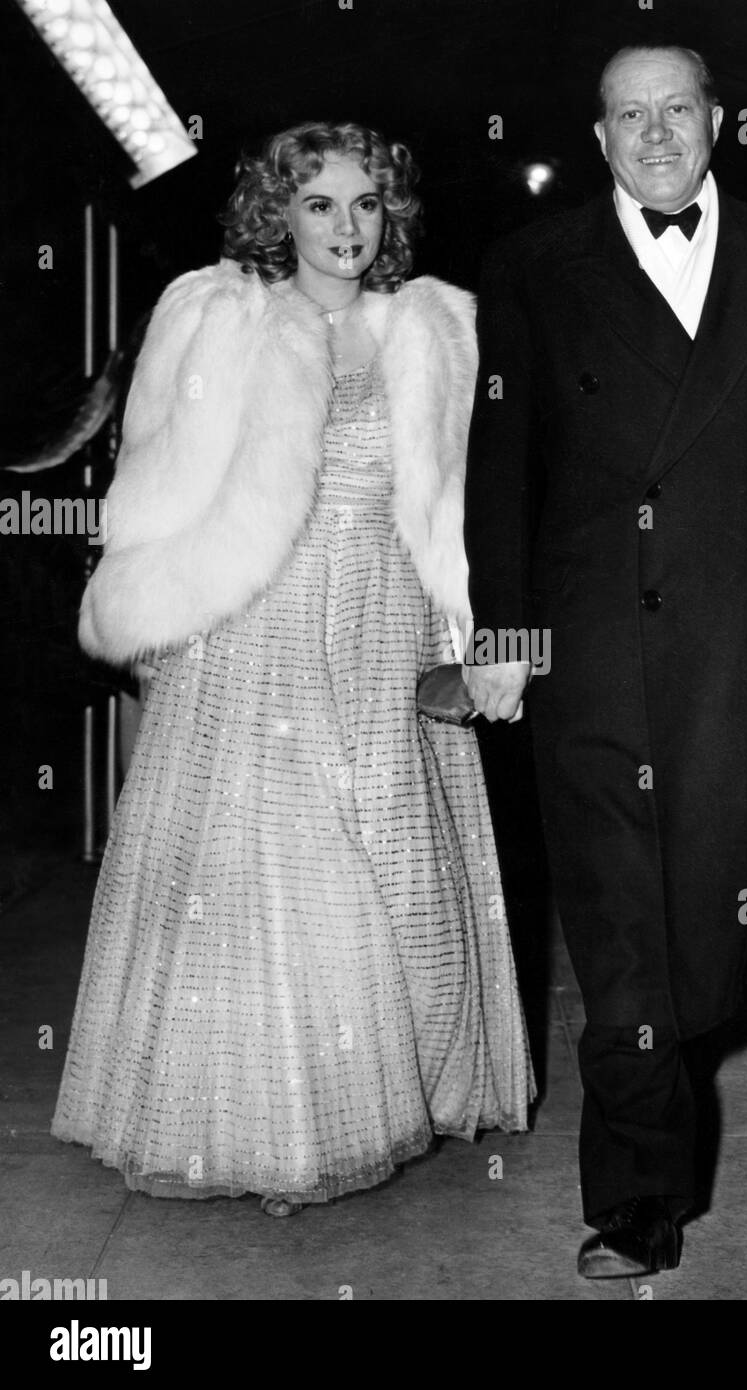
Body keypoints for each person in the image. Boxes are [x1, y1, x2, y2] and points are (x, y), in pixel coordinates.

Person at [464, 45, 747, 1278]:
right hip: (593, 647)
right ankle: (634, 1203)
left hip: (743, 657)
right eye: (627, 115)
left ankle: (674, 1036)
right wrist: (503, 628)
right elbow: (498, 470)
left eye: (676, 109)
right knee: (621, 941)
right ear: (598, 137)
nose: (655, 133)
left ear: (715, 120)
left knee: (710, 937)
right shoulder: (532, 267)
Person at [52, 121, 533, 1215]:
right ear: (279, 212)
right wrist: (156, 620)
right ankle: (278, 1121)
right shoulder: (215, 313)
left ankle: (386, 1088)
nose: (346, 227)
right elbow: (155, 484)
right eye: (320, 204)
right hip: (250, 632)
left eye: (365, 204)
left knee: (395, 869)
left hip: (389, 628)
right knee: (273, 870)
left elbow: (470, 507)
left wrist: (480, 636)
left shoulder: (436, 328)